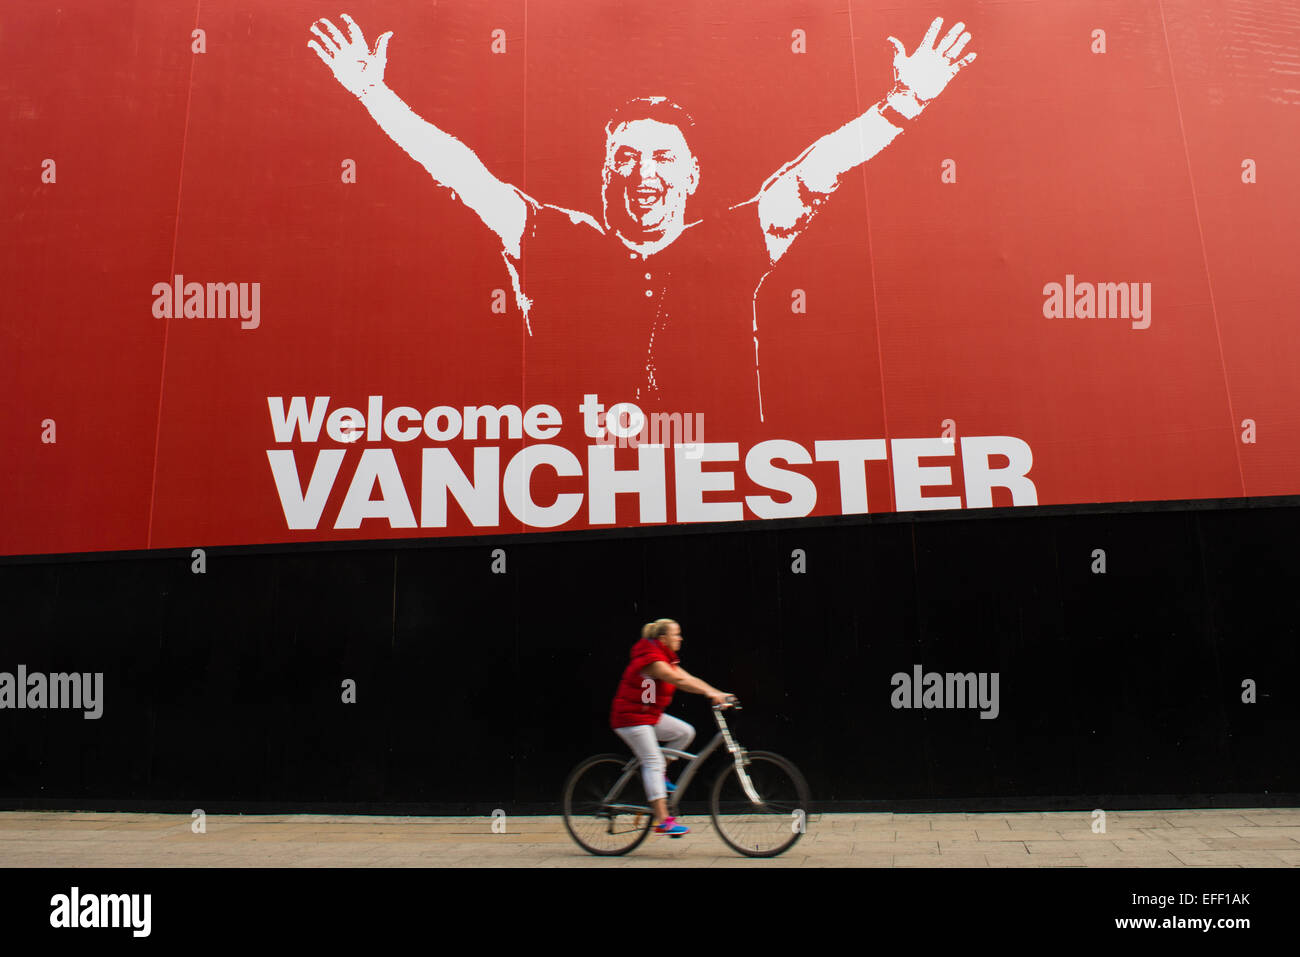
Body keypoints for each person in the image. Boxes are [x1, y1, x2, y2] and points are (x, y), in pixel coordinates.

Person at [308, 14, 977, 426]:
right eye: (624, 158)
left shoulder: (735, 241)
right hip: (570, 489)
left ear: (691, 175)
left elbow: (820, 168)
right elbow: (459, 170)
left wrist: (905, 101)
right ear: (604, 174)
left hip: (716, 491)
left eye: (662, 157)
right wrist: (372, 91)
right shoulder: (548, 239)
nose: (642, 172)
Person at [608, 618, 731, 837]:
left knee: (685, 732)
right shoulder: (652, 661)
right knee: (652, 760)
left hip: (648, 717)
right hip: (630, 719)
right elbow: (678, 681)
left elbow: (688, 677)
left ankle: (659, 776)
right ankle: (663, 820)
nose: (680, 638)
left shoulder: (665, 658)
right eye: (676, 634)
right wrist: (709, 693)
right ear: (663, 639)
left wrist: (716, 692)